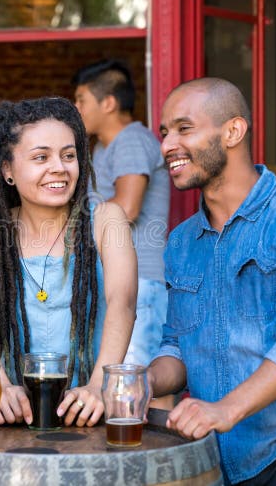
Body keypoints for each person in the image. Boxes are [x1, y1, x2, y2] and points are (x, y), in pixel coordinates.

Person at [150, 77, 276, 484]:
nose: (167, 145)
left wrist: (225, 409)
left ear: (233, 131)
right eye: (164, 133)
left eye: (183, 128)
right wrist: (146, 380)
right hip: (216, 454)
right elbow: (176, 344)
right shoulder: (180, 243)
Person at [0, 97, 137, 428]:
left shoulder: (106, 220)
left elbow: (122, 303)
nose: (59, 167)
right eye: (41, 157)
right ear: (8, 170)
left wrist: (99, 386)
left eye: (68, 155)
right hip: (14, 411)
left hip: (89, 409)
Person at [72, 59, 170, 366]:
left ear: (109, 103)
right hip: (119, 280)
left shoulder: (131, 139)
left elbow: (127, 207)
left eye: (81, 100)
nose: (76, 108)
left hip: (140, 281)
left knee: (135, 383)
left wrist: (64, 224)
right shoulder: (103, 146)